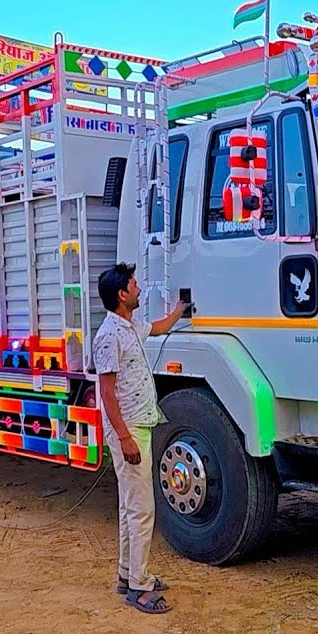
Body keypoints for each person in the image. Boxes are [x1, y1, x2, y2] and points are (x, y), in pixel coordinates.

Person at [93, 263, 187, 614]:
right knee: (142, 509)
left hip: (137, 425)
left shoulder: (130, 326)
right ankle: (140, 587)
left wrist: (179, 310)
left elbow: (160, 327)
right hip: (128, 430)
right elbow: (107, 392)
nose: (139, 287)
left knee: (130, 506)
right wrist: (124, 438)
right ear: (122, 294)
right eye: (134, 284)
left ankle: (127, 574)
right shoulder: (109, 336)